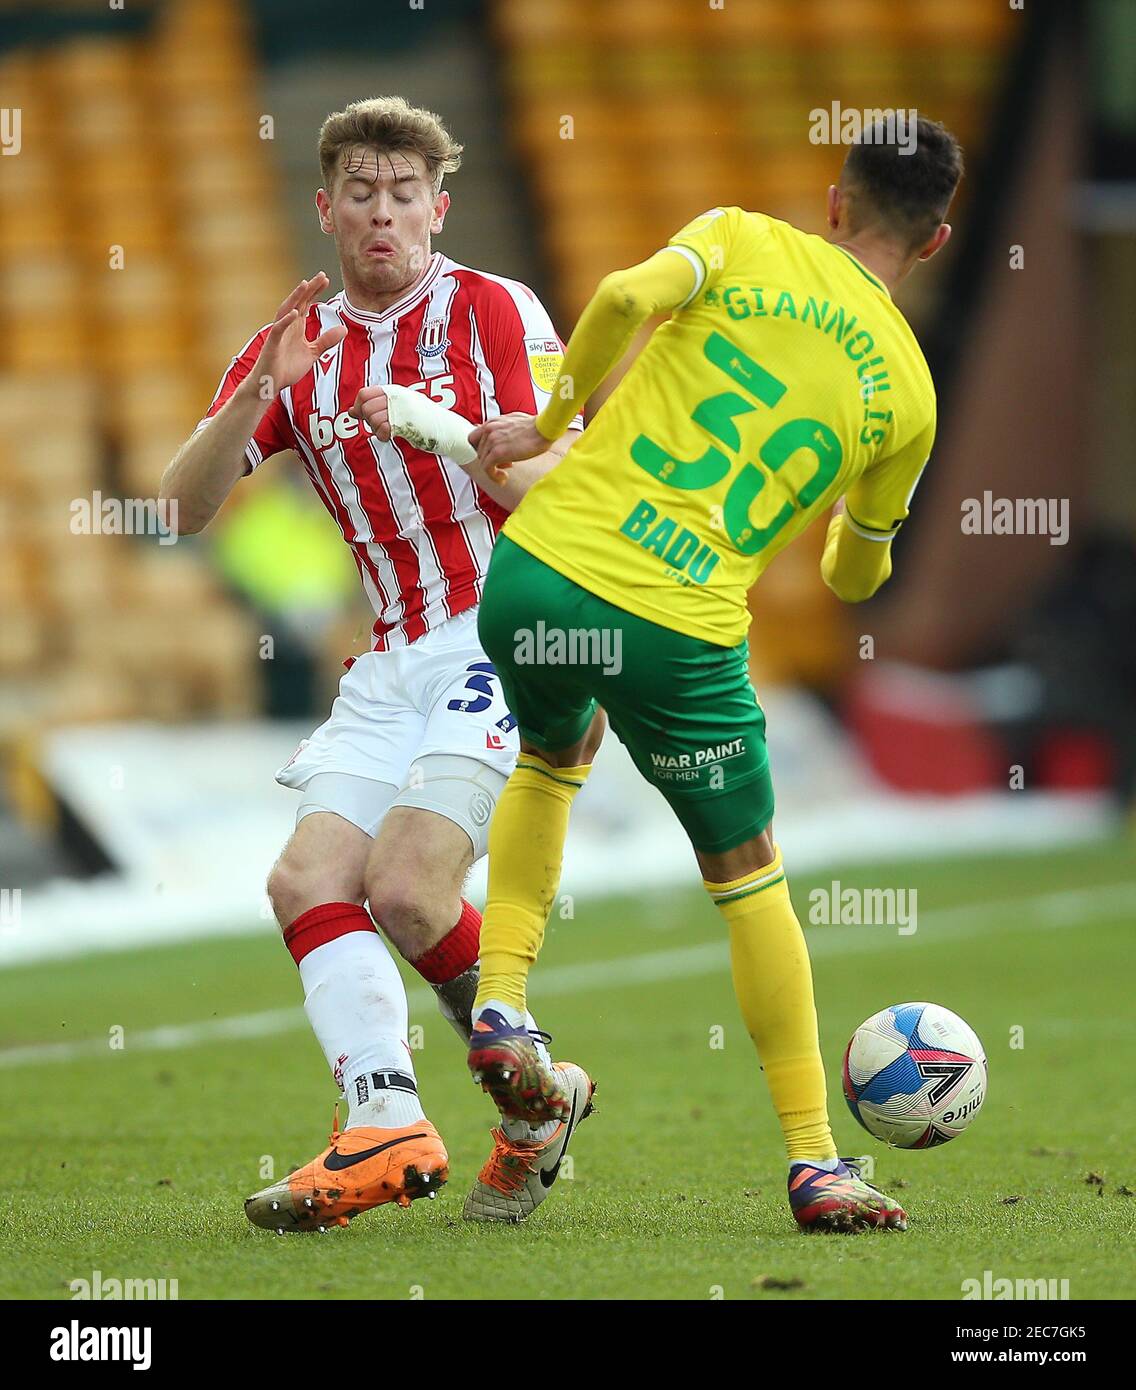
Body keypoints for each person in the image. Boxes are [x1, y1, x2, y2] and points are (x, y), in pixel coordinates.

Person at [462, 117, 964, 1232]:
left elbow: (623, 299)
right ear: (931, 245)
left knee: (551, 753)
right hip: (678, 628)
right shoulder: (913, 400)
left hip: (537, 572)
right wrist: (847, 539)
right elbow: (852, 574)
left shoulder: (735, 237)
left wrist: (546, 422)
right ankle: (813, 1160)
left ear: (834, 201)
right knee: (749, 878)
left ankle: (500, 1000)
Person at [159, 96, 592, 1231]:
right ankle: (398, 1115)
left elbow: (564, 483)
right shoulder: (293, 348)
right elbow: (181, 506)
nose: (383, 212)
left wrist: (440, 428)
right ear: (327, 208)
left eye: (404, 193)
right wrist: (259, 390)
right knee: (304, 882)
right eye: (361, 191)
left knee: (406, 888)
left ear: (438, 210)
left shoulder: (495, 310)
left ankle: (517, 1103)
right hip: (389, 656)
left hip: (500, 630)